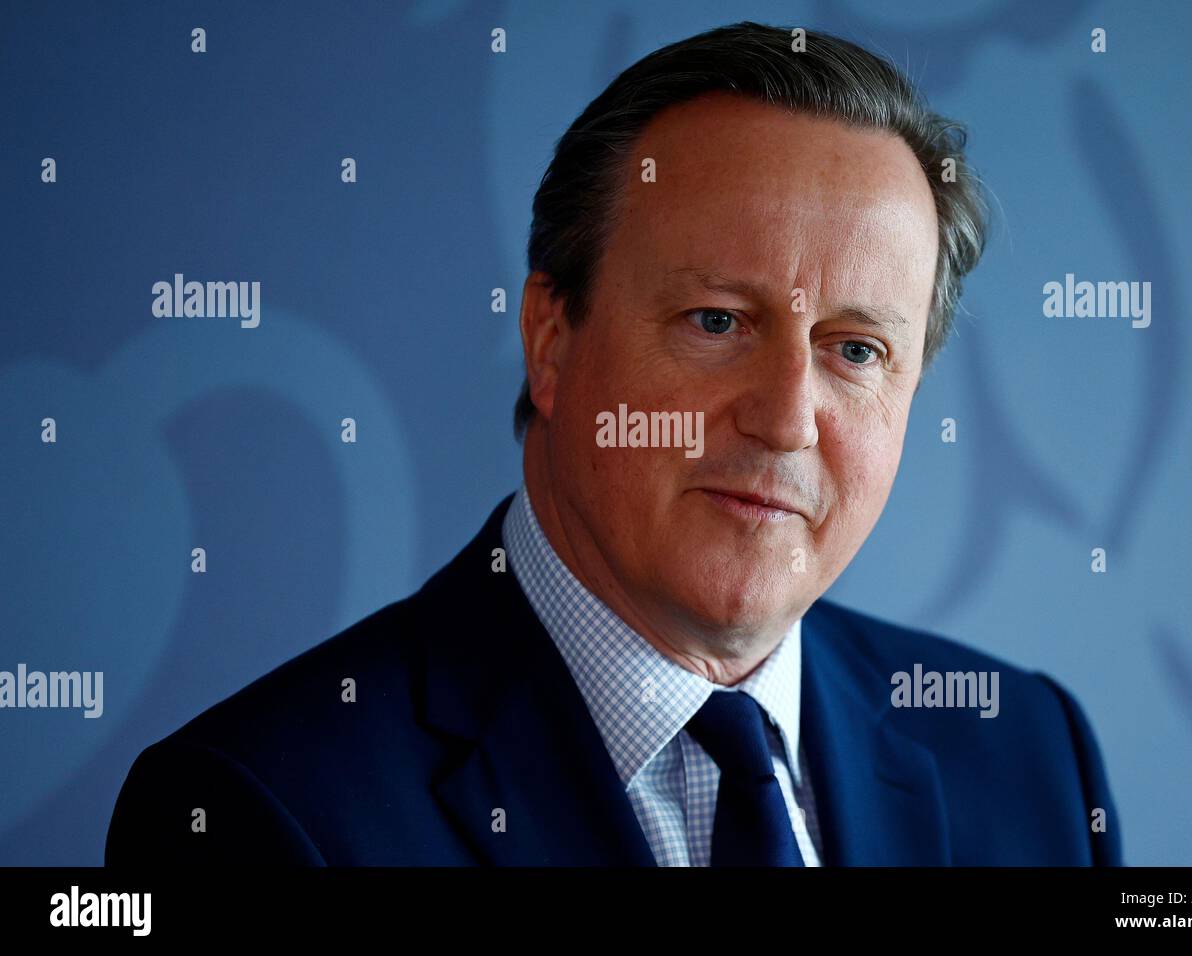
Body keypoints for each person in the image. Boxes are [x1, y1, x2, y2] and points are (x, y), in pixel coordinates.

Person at [106, 20, 1121, 867]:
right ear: (551, 340)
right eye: (717, 321)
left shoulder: (1028, 756)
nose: (782, 417)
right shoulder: (262, 809)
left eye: (854, 348)